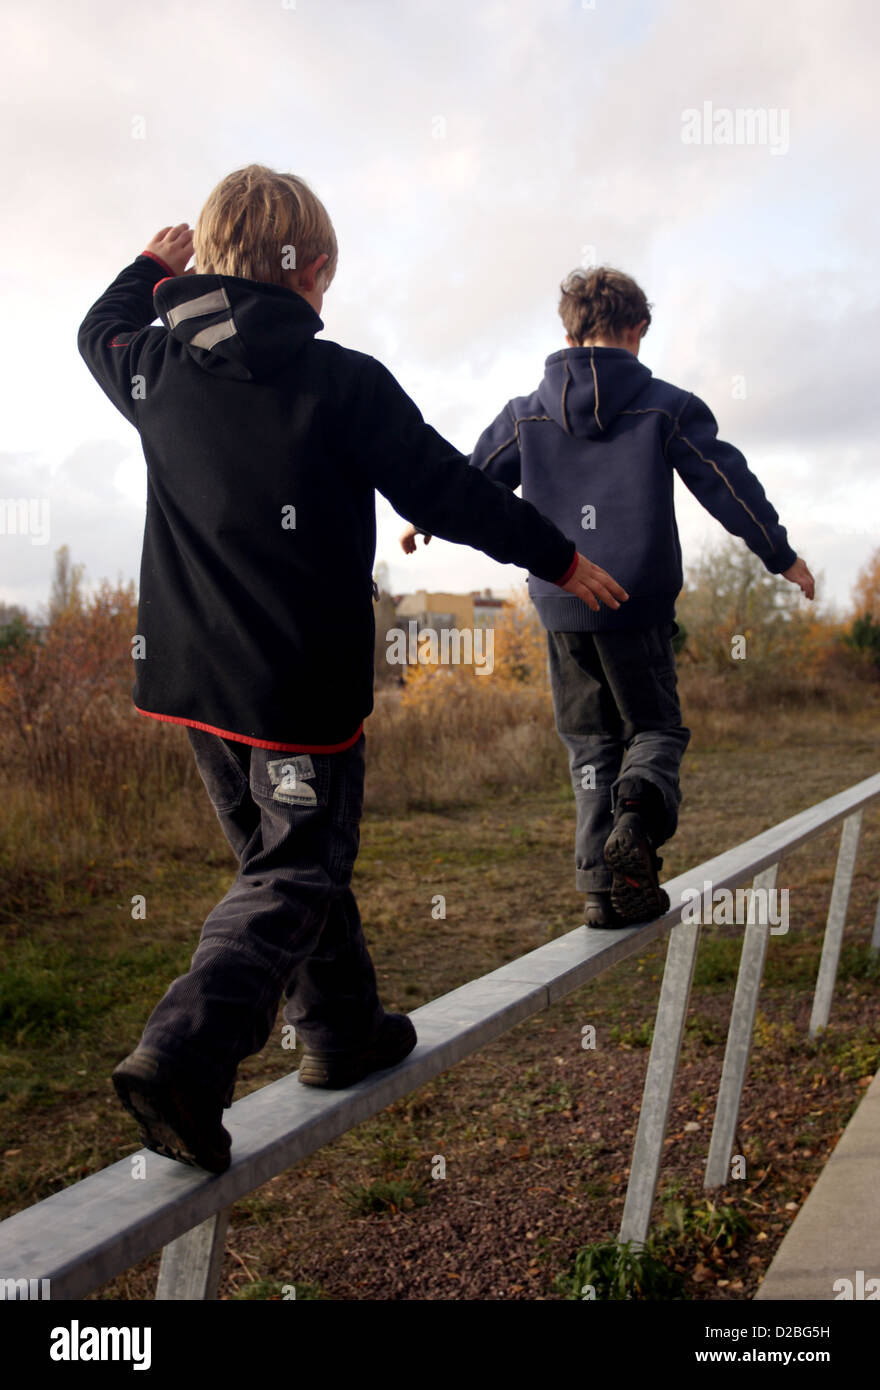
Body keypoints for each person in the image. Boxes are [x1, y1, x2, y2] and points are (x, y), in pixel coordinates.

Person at [77, 166, 627, 1174]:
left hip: (193, 684)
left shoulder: (155, 365)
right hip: (293, 689)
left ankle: (338, 1026)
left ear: (210, 258)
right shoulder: (340, 381)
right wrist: (559, 557)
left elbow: (95, 329)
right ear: (316, 271)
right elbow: (453, 490)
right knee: (299, 867)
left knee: (278, 867)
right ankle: (183, 1055)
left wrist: (152, 268)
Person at [401, 265, 814, 932]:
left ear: (567, 329)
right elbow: (724, 482)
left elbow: (469, 480)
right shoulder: (665, 406)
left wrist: (426, 518)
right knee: (655, 730)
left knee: (590, 742)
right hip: (635, 601)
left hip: (560, 602)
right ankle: (637, 825)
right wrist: (780, 555)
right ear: (638, 328)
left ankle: (601, 890)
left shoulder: (525, 412)